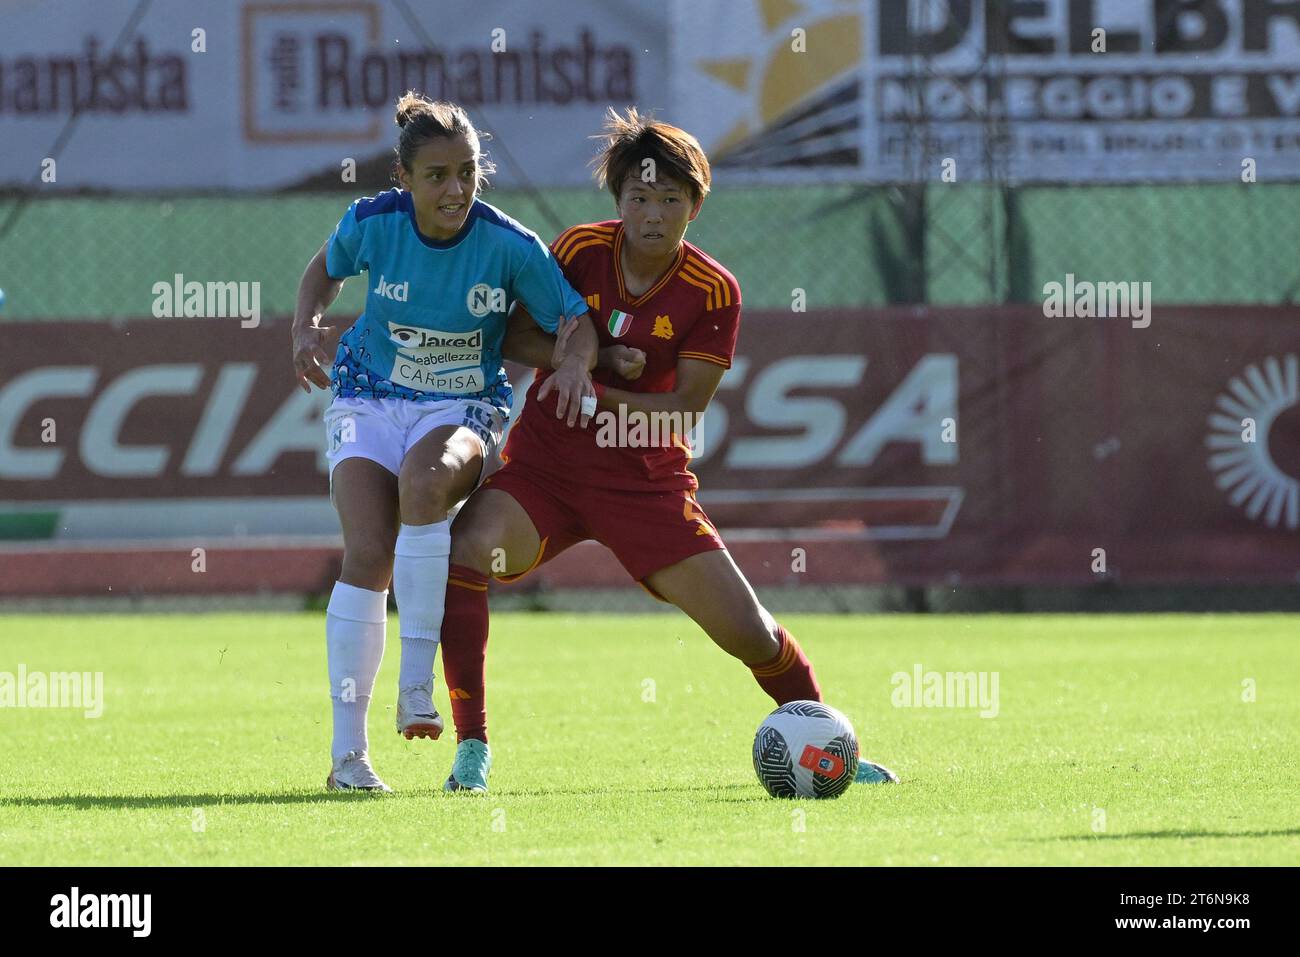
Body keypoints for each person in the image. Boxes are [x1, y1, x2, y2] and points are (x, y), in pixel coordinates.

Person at [436, 108, 898, 792]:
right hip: (546, 472)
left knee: (752, 633)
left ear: (695, 205)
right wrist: (574, 363)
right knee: (467, 545)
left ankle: (829, 744)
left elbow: (683, 408)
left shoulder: (714, 290)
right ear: (618, 200)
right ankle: (472, 747)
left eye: (670, 199)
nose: (653, 213)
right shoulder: (578, 250)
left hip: (646, 485)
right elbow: (508, 338)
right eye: (639, 197)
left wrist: (595, 390)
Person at [290, 91, 598, 791]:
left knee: (427, 482)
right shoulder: (373, 222)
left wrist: (576, 359)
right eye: (437, 175)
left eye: (467, 171)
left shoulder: (508, 243)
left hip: (462, 403)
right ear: (404, 177)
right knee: (366, 552)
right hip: (367, 395)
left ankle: (416, 681)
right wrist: (305, 325)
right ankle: (348, 760)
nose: (456, 188)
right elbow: (323, 268)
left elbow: (572, 317)